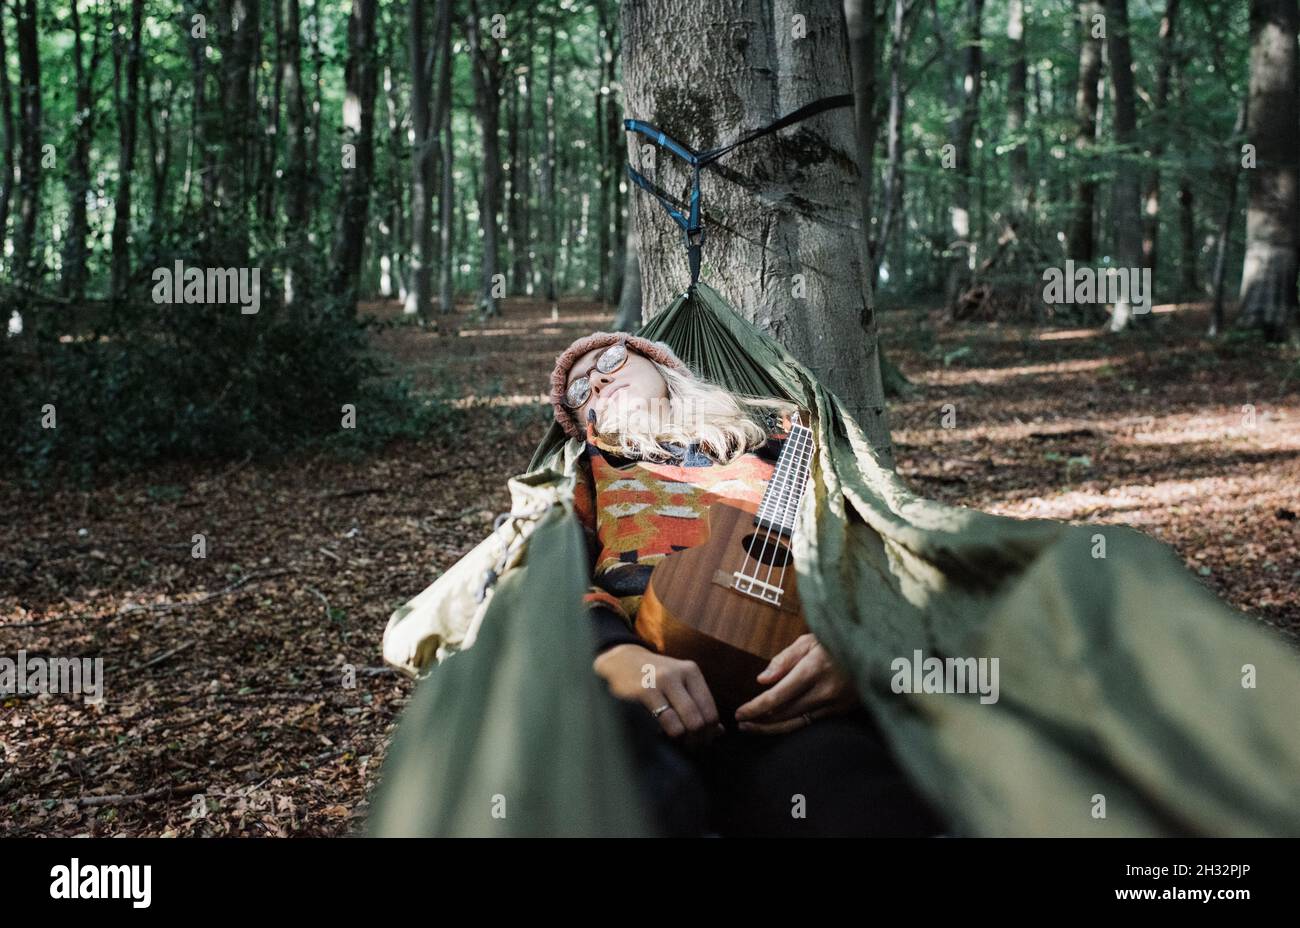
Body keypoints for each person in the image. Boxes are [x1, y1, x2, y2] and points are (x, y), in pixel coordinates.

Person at [549, 330, 950, 837]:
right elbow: (546, 568)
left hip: (790, 700)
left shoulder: (782, 438)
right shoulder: (584, 469)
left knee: (851, 796)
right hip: (641, 698)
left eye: (610, 359)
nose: (599, 381)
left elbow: (875, 547)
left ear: (660, 364)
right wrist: (609, 653)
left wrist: (853, 641)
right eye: (580, 391)